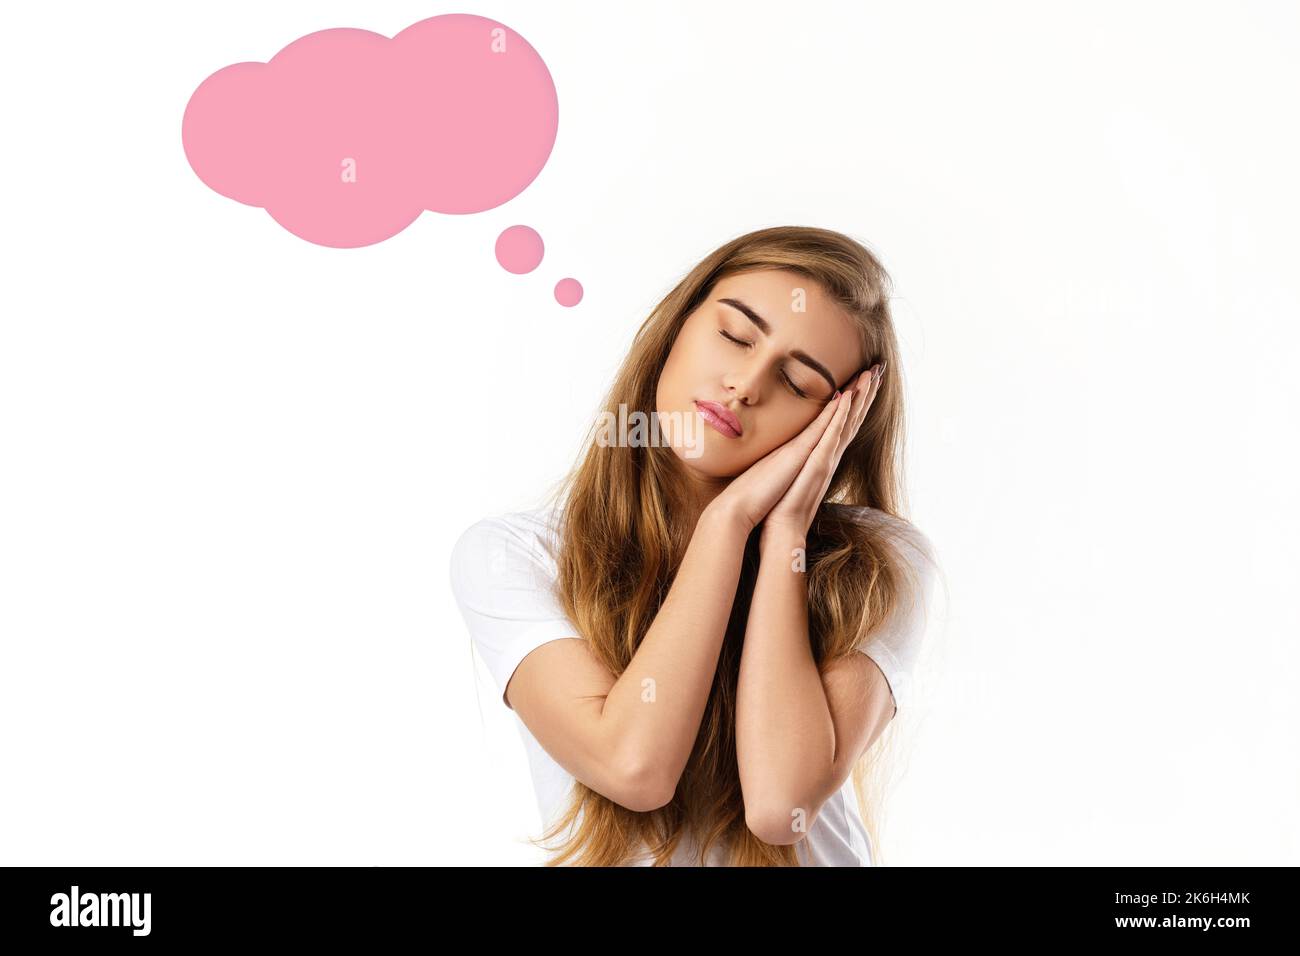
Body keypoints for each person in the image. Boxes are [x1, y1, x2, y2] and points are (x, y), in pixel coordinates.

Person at [450, 225, 941, 866]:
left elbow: (777, 804)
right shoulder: (513, 556)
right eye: (735, 336)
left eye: (797, 382)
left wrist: (779, 532)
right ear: (677, 325)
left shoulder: (878, 563)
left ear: (837, 424)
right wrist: (726, 524)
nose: (744, 385)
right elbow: (634, 765)